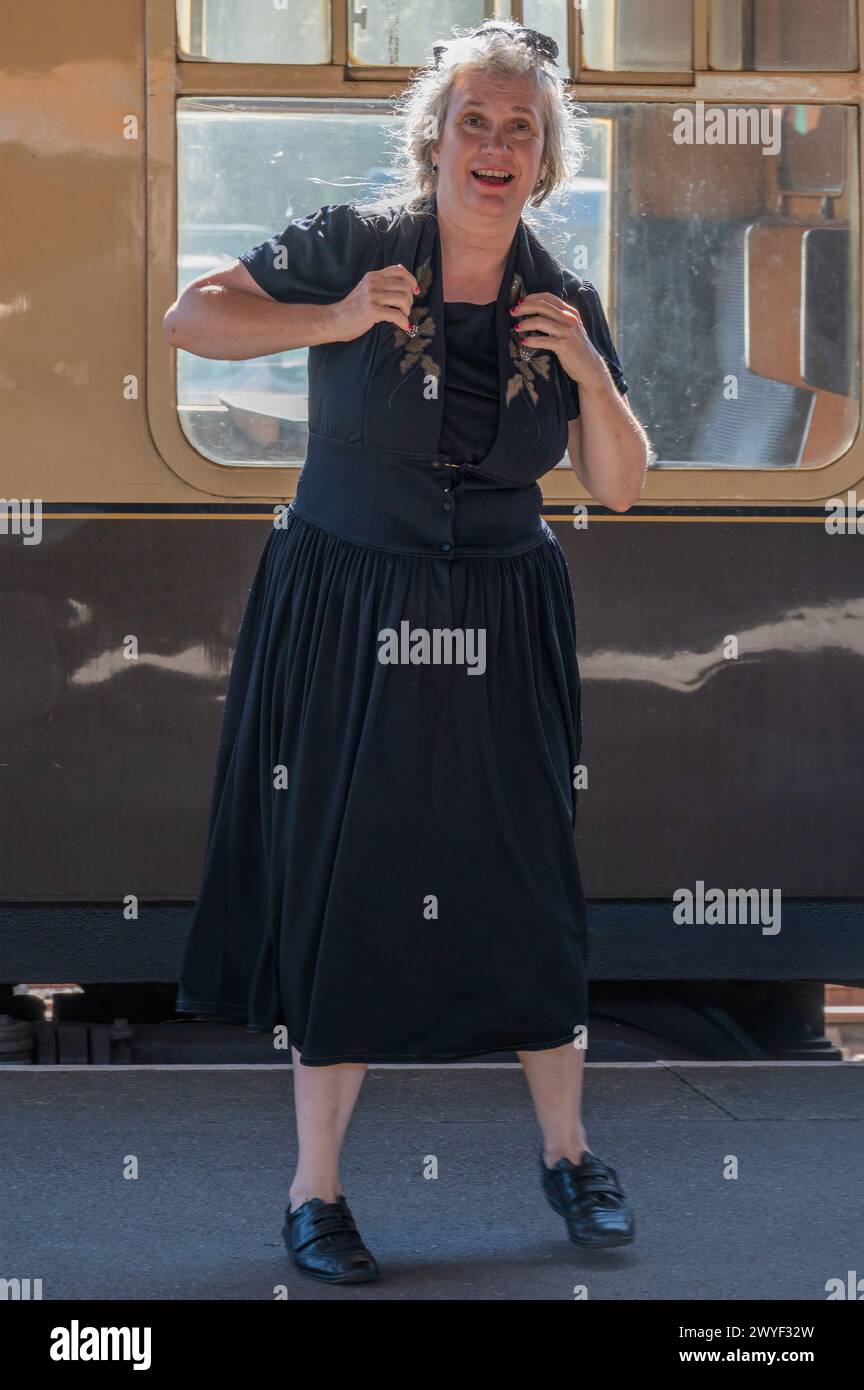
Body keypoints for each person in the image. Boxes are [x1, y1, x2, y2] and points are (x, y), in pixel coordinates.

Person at [164, 19, 649, 1285]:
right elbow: (190, 320)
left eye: (520, 129)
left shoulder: (562, 296)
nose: (494, 146)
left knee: (532, 878)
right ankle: (314, 1192)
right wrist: (329, 317)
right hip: (349, 605)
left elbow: (621, 483)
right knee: (351, 878)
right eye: (474, 122)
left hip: (503, 613)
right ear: (434, 137)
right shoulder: (354, 243)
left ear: (545, 162)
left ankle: (569, 1153)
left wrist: (595, 374)